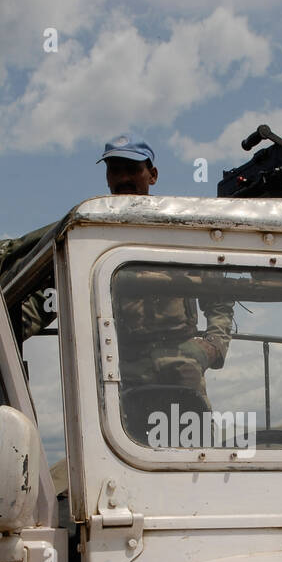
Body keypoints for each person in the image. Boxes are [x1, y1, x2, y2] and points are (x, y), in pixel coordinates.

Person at [96, 135, 234, 406]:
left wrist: (213, 348)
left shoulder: (180, 231)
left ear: (153, 175)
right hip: (120, 362)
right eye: (115, 170)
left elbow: (219, 296)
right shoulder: (97, 237)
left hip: (182, 358)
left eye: (133, 170)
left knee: (193, 442)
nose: (123, 178)